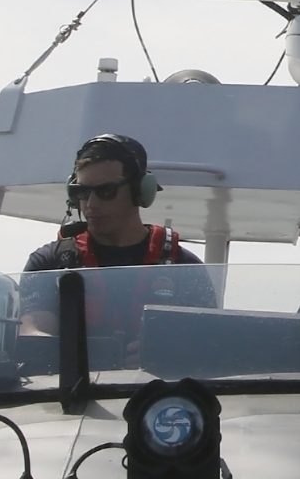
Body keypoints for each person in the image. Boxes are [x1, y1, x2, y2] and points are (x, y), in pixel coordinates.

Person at [19, 132, 215, 354]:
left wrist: (165, 353)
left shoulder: (184, 268)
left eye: (106, 191)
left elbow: (206, 348)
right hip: (70, 386)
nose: (90, 204)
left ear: (139, 190)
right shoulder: (49, 263)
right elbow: (33, 333)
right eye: (82, 192)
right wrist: (83, 357)